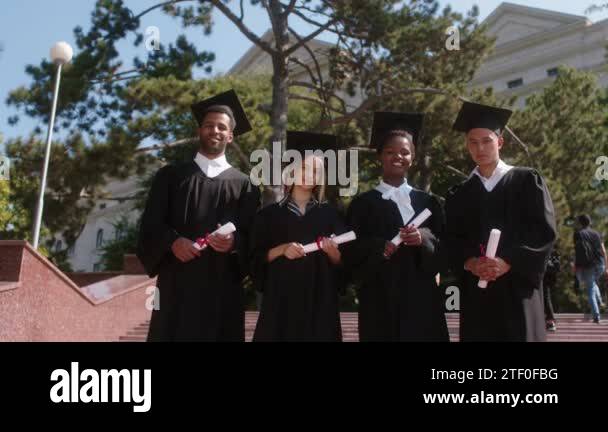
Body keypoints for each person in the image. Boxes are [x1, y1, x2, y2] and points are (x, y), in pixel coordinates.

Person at [136, 90, 260, 341]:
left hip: (223, 286)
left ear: (230, 135)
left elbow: (252, 236)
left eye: (221, 127)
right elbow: (150, 224)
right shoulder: (170, 176)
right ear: (199, 131)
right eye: (209, 125)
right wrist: (172, 241)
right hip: (176, 283)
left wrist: (234, 244)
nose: (215, 130)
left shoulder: (245, 184)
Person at [444, 101, 557, 342]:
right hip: (477, 296)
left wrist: (508, 262)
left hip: (518, 290)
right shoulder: (459, 194)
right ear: (467, 146)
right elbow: (451, 240)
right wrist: (470, 262)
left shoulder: (526, 181)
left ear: (500, 142)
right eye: (473, 142)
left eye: (486, 140)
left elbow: (543, 232)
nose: (480, 148)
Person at [345, 112, 449, 342]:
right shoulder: (363, 204)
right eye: (390, 152)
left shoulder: (428, 202)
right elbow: (350, 251)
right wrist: (378, 247)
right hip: (379, 299)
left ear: (413, 157)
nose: (397, 157)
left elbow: (446, 249)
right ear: (380, 156)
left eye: (405, 152)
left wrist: (424, 238)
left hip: (422, 299)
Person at [250, 131, 347, 342]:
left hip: (320, 303)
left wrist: (333, 253)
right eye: (303, 167)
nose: (308, 174)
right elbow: (255, 260)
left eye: (315, 170)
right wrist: (281, 249)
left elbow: (344, 267)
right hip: (280, 302)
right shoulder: (269, 215)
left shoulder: (333, 215)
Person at [573, 214, 608, 323]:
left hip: (588, 265)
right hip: (600, 264)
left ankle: (596, 315)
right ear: (590, 222)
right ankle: (600, 300)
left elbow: (578, 251)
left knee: (590, 289)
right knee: (592, 284)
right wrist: (607, 267)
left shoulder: (578, 234)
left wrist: (575, 266)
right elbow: (603, 251)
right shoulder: (597, 234)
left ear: (580, 223)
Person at [543, 249, 560, 331]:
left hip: (542, 272)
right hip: (547, 273)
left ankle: (550, 321)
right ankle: (549, 320)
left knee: (545, 296)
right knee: (546, 296)